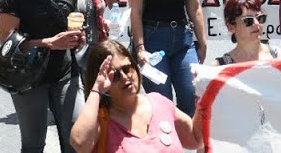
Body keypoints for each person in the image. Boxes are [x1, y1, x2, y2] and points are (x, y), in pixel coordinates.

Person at [0, 0, 86, 153]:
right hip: (28, 79)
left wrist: (78, 39)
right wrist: (48, 43)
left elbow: (70, 29)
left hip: (65, 74)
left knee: (78, 140)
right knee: (33, 144)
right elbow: (7, 43)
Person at [69, 41, 200, 153]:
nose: (125, 77)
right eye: (114, 76)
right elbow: (80, 143)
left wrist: (204, 92)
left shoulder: (159, 101)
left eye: (126, 69)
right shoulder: (101, 120)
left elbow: (196, 139)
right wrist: (96, 89)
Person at [210, 0, 281, 65]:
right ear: (231, 27)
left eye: (260, 18)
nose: (256, 23)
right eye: (248, 20)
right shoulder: (219, 67)